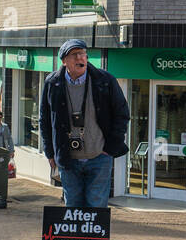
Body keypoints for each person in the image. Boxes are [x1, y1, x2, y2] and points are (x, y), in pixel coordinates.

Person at [39, 38, 130, 209]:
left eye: (83, 54)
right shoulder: (53, 83)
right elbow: (44, 120)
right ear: (64, 61)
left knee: (96, 208)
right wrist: (50, 153)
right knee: (73, 207)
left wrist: (109, 149)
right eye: (75, 55)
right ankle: (74, 238)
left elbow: (122, 114)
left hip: (99, 157)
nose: (81, 58)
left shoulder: (105, 80)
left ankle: (92, 238)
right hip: (68, 159)